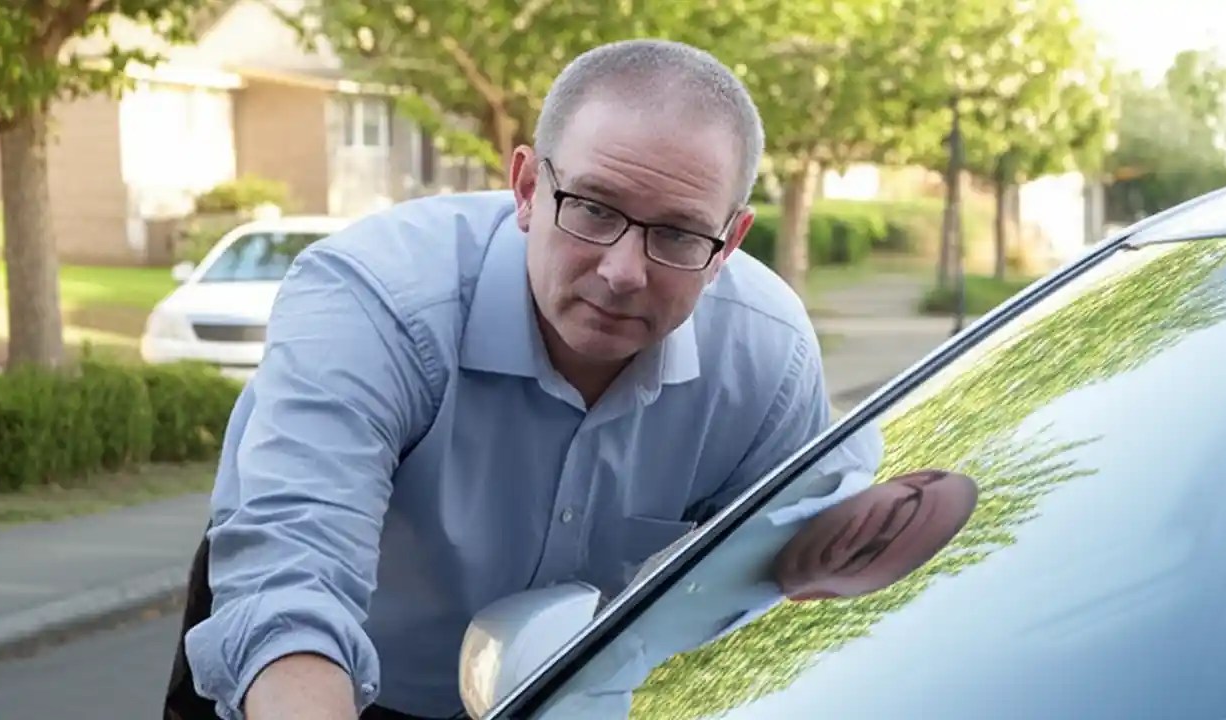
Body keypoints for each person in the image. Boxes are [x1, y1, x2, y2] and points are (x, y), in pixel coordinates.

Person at [167, 38, 883, 720]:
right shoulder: (374, 301)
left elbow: (802, 561)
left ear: (728, 243)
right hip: (318, 681)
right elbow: (290, 583)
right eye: (595, 209)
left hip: (568, 697)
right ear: (528, 188)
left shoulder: (765, 355)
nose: (623, 272)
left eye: (676, 235)